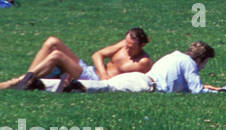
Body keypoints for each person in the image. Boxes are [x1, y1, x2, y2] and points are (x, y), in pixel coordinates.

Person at [52, 42, 226, 94]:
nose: (204, 67)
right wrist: (221, 92)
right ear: (200, 59)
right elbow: (195, 90)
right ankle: (75, 86)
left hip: (139, 78)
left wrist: (208, 86)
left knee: (107, 85)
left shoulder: (174, 56)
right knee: (108, 88)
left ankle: (39, 83)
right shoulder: (190, 64)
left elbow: (187, 85)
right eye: (205, 63)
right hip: (147, 85)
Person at [1, 28, 153, 90]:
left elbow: (141, 81)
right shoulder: (124, 45)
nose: (127, 48)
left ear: (143, 44)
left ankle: (16, 82)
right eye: (126, 44)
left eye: (131, 47)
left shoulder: (143, 63)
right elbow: (97, 55)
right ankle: (27, 79)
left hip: (94, 80)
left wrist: (105, 79)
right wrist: (103, 72)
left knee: (56, 56)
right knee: (52, 42)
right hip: (91, 71)